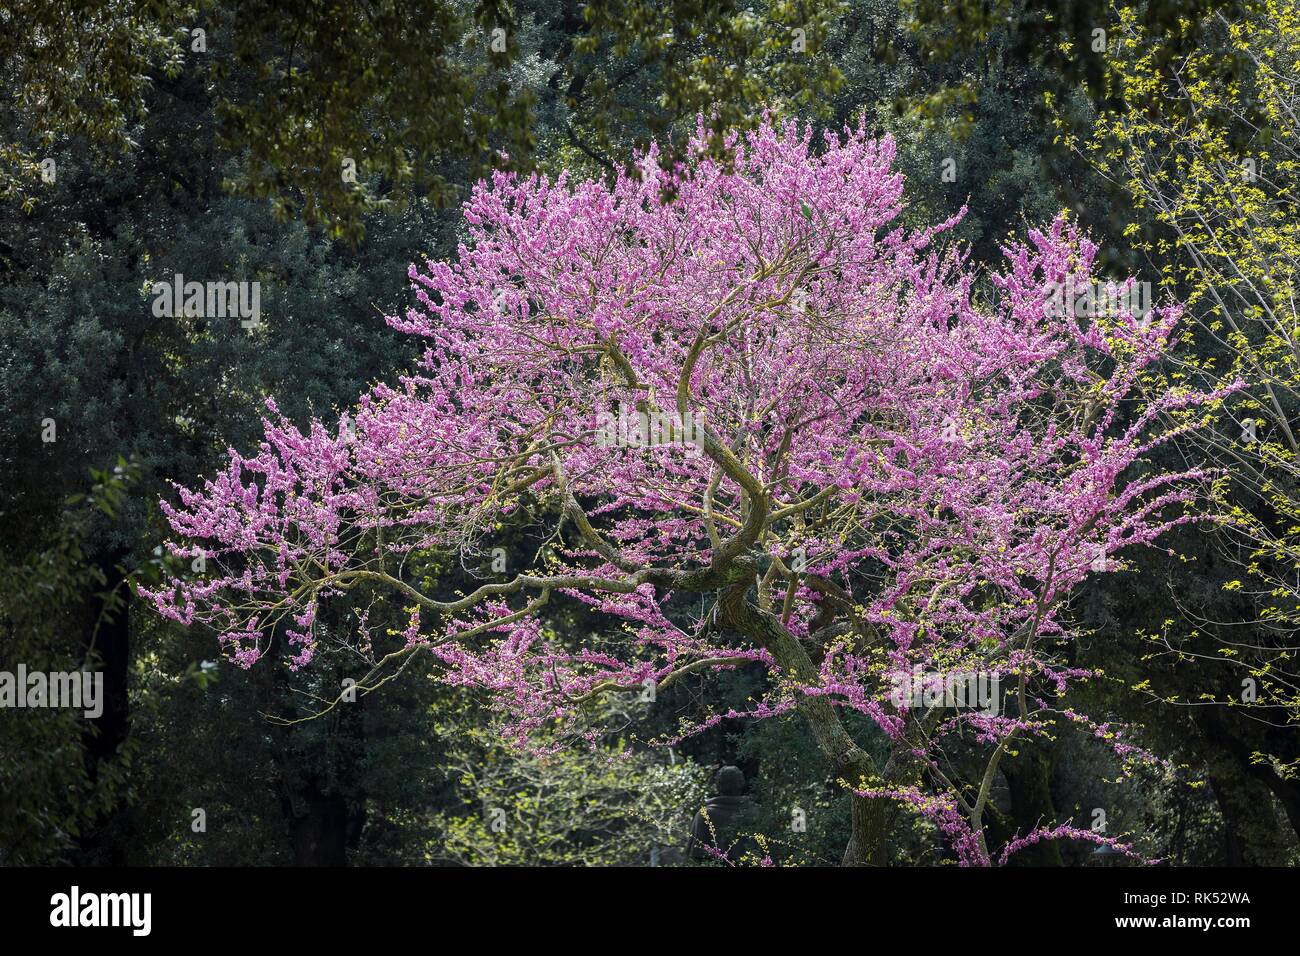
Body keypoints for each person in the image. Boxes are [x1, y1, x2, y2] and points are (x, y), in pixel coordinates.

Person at [685, 765, 755, 862]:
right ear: (742, 783)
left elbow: (696, 855)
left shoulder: (705, 815)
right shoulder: (756, 812)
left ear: (718, 786)